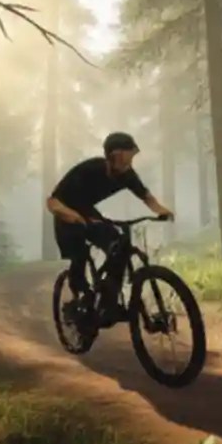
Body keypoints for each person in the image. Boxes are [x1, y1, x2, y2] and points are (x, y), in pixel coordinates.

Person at [46, 132, 174, 321]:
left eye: (130, 158)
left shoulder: (127, 175)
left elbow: (146, 196)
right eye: (125, 158)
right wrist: (72, 217)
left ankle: (109, 301)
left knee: (118, 245)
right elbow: (52, 202)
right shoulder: (90, 170)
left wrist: (162, 211)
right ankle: (80, 297)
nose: (128, 163)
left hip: (88, 213)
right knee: (79, 254)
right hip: (66, 214)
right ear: (113, 156)